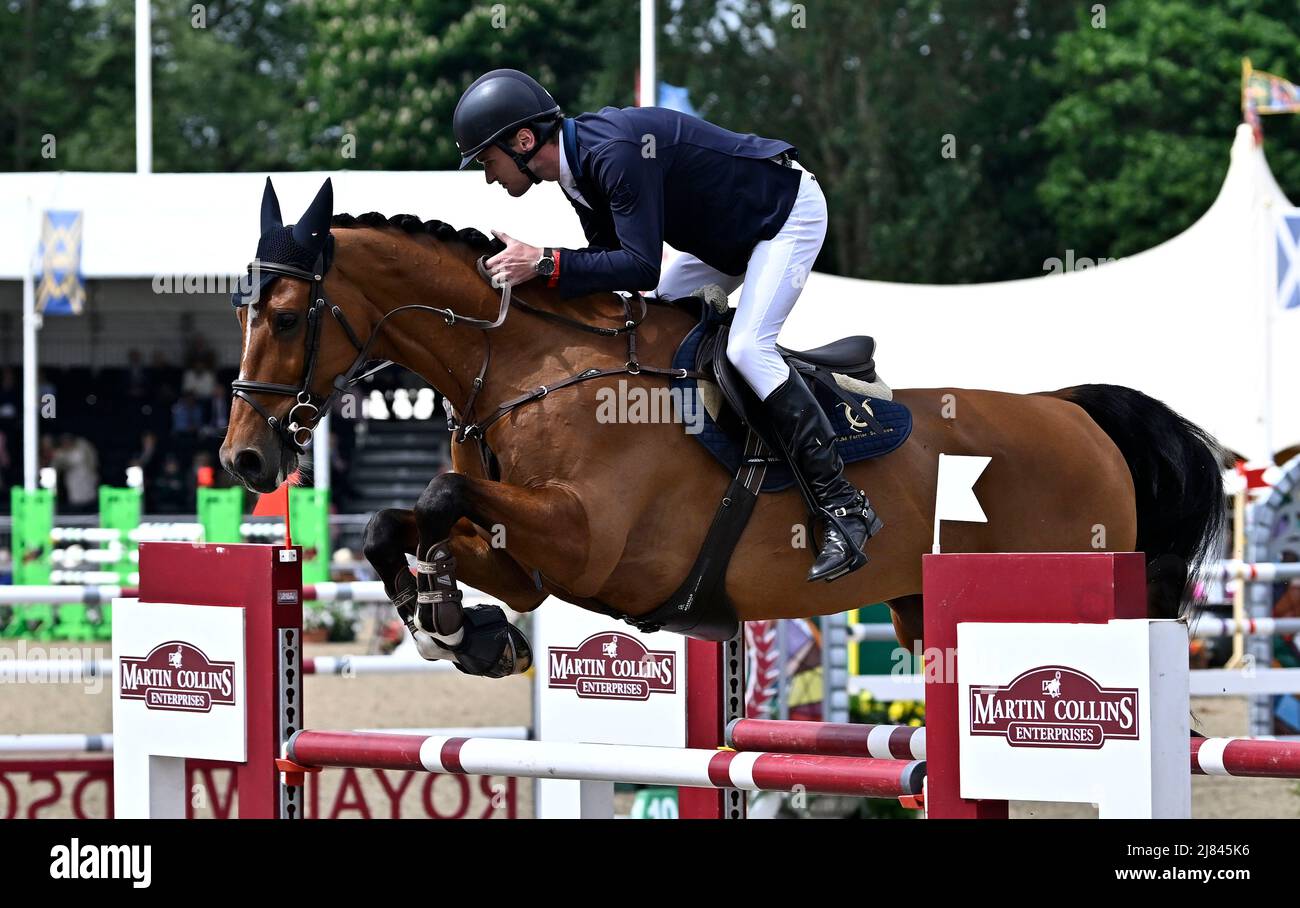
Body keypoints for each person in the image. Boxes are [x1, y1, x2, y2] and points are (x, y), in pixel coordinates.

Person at [456, 69, 882, 582]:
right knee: (652, 314)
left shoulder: (610, 154)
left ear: (524, 141)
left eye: (489, 159)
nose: (488, 175)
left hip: (782, 215)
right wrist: (532, 277)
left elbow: (639, 265)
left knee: (748, 347)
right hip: (725, 239)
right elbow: (611, 271)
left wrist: (544, 262)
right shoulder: (574, 170)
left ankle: (844, 508)